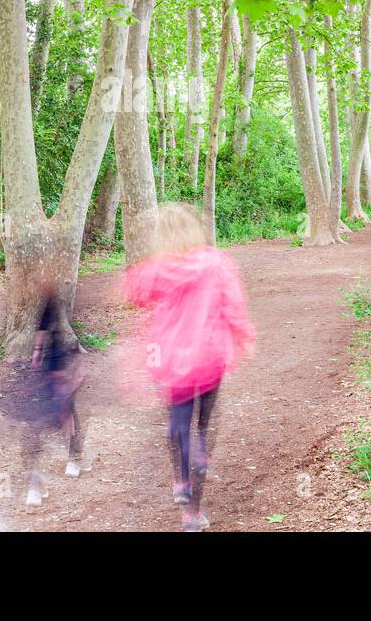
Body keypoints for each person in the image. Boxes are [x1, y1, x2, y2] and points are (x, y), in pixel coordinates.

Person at [122, 203, 256, 531]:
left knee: (178, 420)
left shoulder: (158, 267)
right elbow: (234, 306)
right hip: (210, 357)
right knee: (204, 429)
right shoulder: (216, 263)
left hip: (173, 359)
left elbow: (134, 293)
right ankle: (192, 515)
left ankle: (181, 481)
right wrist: (244, 336)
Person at [17, 282, 86, 507]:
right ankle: (40, 479)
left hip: (60, 363)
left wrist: (64, 373)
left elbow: (57, 329)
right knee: (45, 422)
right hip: (54, 365)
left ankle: (71, 460)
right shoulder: (49, 295)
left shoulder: (59, 293)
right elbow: (46, 323)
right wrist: (39, 352)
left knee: (60, 415)